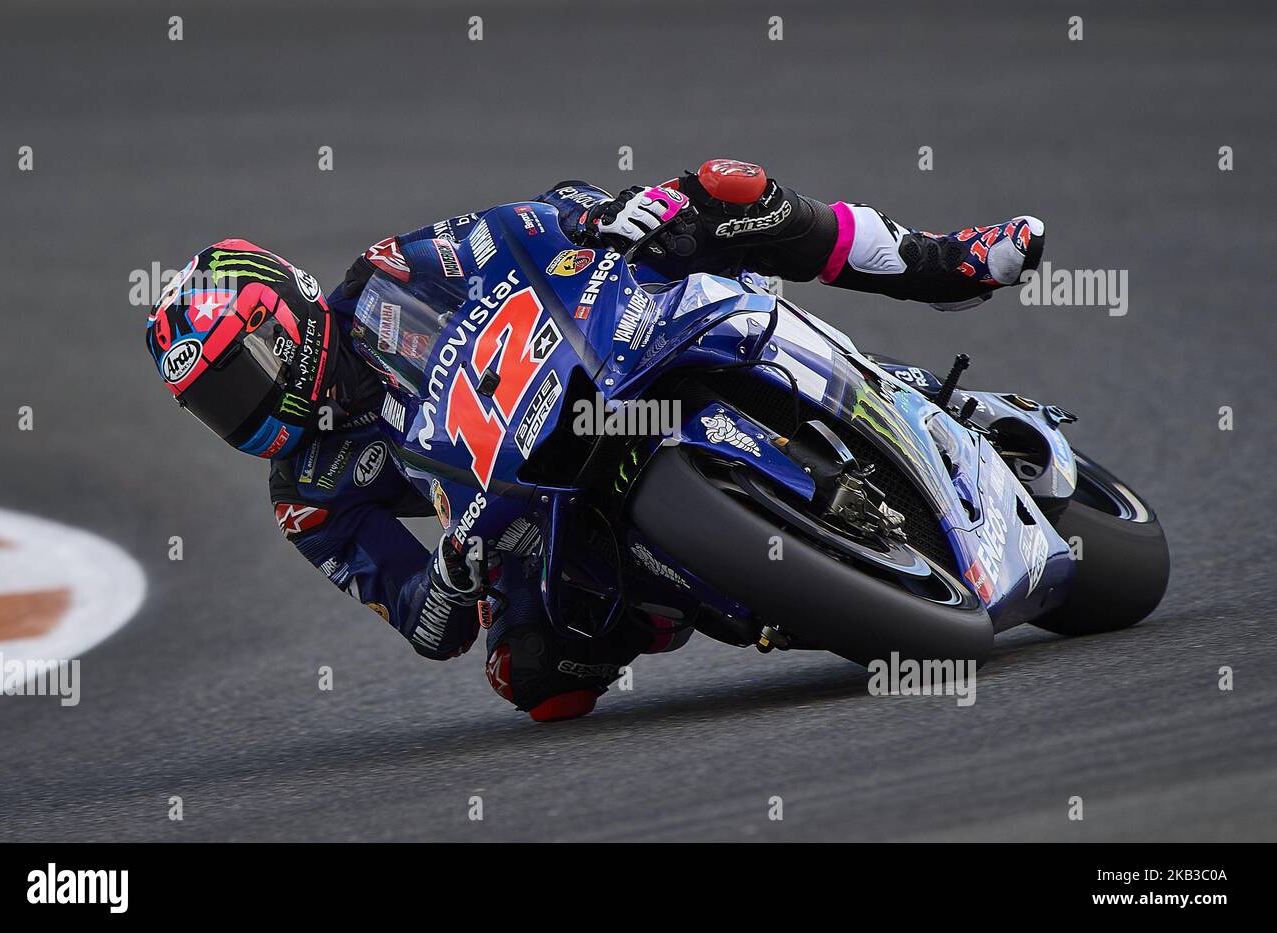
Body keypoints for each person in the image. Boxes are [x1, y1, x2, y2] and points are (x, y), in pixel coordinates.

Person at [144, 158, 1044, 721]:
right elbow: (424, 621)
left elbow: (508, 232)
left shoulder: (385, 274)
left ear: (283, 320)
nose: (240, 410)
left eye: (236, 374)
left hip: (588, 357)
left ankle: (946, 263)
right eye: (212, 404)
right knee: (534, 681)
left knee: (719, 189)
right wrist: (451, 579)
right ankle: (724, 591)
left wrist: (599, 218)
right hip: (519, 509)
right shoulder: (307, 495)